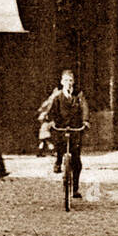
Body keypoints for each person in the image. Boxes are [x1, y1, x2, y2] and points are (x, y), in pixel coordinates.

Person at [41, 70, 89, 198]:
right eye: (66, 80)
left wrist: (85, 121)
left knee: (76, 161)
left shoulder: (78, 96)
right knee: (59, 146)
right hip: (61, 128)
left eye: (71, 81)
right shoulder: (58, 97)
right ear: (62, 82)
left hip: (75, 128)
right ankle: (57, 161)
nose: (68, 83)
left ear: (73, 82)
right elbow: (51, 111)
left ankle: (75, 189)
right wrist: (50, 121)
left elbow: (84, 108)